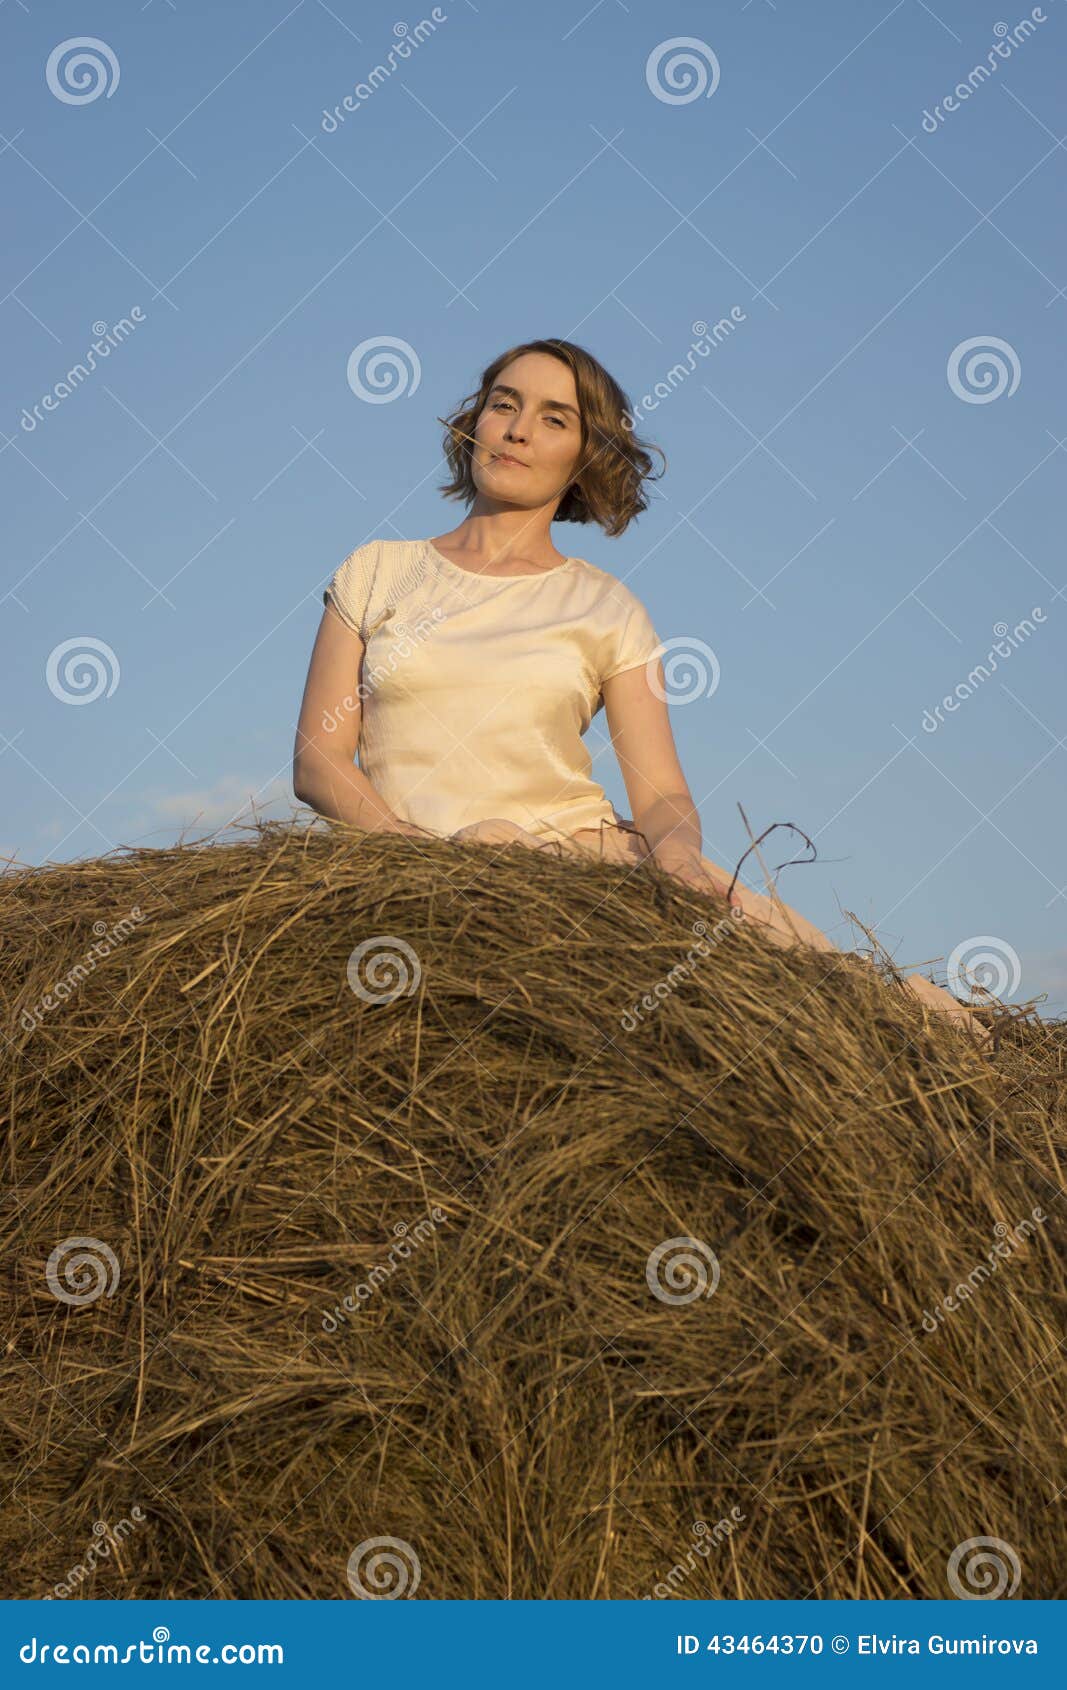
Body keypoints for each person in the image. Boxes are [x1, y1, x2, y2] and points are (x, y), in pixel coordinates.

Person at [293, 338, 989, 1048]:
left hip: (571, 858)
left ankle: (921, 1023)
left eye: (554, 419)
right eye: (504, 404)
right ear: (475, 421)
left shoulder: (605, 607)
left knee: (828, 991)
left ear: (584, 458)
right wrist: (411, 849)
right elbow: (319, 760)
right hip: (418, 856)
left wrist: (679, 862)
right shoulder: (378, 571)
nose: (518, 429)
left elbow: (659, 794)